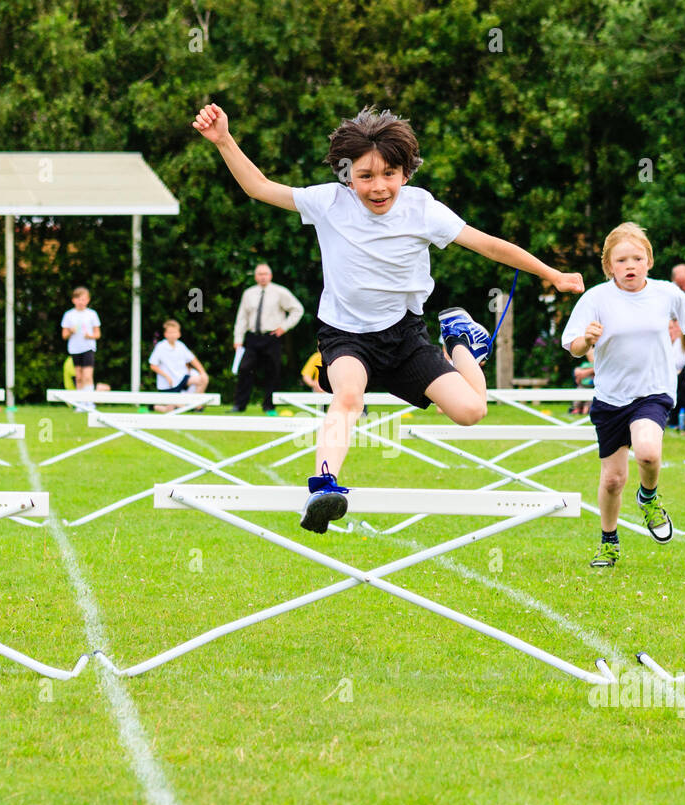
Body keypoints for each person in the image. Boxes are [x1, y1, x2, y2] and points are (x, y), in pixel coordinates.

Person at [192, 102, 585, 533]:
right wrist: (224, 140)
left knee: (473, 410)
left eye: (389, 175)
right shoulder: (328, 202)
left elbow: (489, 246)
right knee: (348, 396)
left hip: (404, 335)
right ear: (347, 176)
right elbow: (260, 188)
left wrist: (552, 273)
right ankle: (324, 485)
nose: (378, 187)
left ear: (406, 173)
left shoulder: (423, 210)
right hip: (345, 334)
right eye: (365, 176)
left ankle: (458, 340)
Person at [561, 222, 685, 567]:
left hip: (653, 391)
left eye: (637, 258)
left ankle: (648, 497)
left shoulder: (666, 293)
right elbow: (573, 347)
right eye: (621, 260)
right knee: (612, 480)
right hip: (610, 397)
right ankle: (609, 542)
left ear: (649, 262)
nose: (630, 266)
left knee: (649, 453)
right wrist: (588, 340)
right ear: (609, 266)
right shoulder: (595, 298)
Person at [231, 263, 304, 414]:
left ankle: (269, 406)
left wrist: (283, 327)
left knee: (273, 371)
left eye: (265, 274)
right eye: (260, 274)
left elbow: (297, 309)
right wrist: (238, 338)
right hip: (252, 337)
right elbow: (242, 318)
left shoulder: (280, 292)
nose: (263, 277)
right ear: (255, 276)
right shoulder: (248, 293)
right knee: (244, 369)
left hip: (271, 337)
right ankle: (239, 405)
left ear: (270, 276)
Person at [148, 319, 210, 412]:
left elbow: (193, 359)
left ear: (179, 334)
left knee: (203, 379)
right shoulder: (161, 347)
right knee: (171, 410)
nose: (172, 334)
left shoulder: (181, 346)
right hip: (167, 385)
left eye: (174, 332)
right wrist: (166, 376)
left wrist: (203, 372)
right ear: (165, 334)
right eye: (170, 332)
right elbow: (153, 365)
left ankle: (196, 406)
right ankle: (154, 406)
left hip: (181, 380)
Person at [61, 286, 101, 412]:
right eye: (78, 299)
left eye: (83, 299)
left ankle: (89, 402)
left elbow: (97, 334)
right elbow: (64, 335)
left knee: (88, 376)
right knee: (78, 377)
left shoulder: (92, 314)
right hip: (74, 349)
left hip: (88, 348)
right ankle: (81, 404)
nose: (81, 302)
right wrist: (71, 332)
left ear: (88, 300)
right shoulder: (69, 315)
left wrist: (90, 336)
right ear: (73, 300)